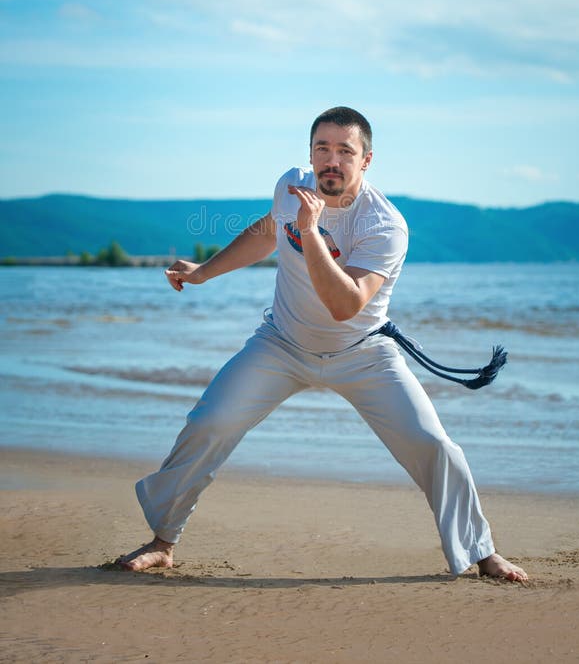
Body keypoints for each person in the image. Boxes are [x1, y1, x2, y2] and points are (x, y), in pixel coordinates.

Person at [118, 106, 527, 582]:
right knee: (210, 422)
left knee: (432, 444)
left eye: (344, 152)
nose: (331, 161)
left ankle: (481, 553)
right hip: (281, 344)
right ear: (310, 153)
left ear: (366, 161)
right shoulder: (292, 187)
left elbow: (344, 304)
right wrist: (204, 272)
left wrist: (310, 231)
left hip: (364, 353)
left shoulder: (385, 226)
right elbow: (268, 232)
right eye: (322, 149)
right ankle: (163, 541)